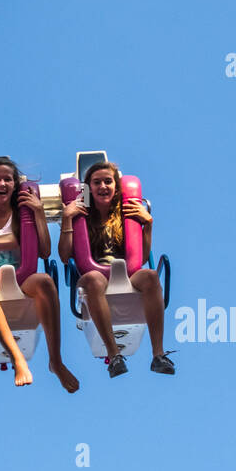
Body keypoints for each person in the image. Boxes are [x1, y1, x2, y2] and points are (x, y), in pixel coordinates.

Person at [0, 156, 78, 393]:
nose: (2, 183)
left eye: (7, 179)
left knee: (44, 281)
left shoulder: (23, 214)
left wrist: (39, 212)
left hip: (22, 280)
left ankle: (56, 360)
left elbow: (45, 251)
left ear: (14, 184)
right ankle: (17, 358)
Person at [59, 160, 173, 376]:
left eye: (108, 181)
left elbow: (141, 255)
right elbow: (65, 256)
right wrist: (66, 219)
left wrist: (148, 224)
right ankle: (114, 356)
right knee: (94, 279)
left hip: (127, 273)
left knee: (149, 276)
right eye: (96, 182)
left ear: (116, 186)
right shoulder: (81, 216)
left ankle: (158, 355)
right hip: (93, 276)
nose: (103, 186)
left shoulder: (125, 215)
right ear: (88, 188)